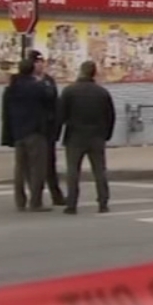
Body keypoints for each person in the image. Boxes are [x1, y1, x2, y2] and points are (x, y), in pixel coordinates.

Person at [57, 59, 117, 214]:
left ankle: (72, 203)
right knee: (99, 170)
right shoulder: (102, 92)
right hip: (96, 136)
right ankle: (103, 202)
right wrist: (106, 134)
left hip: (75, 135)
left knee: (73, 171)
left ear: (80, 71)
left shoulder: (69, 91)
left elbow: (61, 115)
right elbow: (110, 116)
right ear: (94, 73)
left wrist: (57, 134)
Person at [0, 58, 55, 211]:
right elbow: (50, 97)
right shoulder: (36, 87)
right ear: (32, 70)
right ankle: (35, 201)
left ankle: (20, 200)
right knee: (37, 168)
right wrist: (43, 81)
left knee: (20, 168)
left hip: (18, 131)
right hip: (35, 131)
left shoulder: (11, 88)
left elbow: (6, 112)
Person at [28, 49, 68, 206]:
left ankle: (56, 194)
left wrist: (57, 126)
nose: (40, 65)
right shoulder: (25, 82)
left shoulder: (48, 80)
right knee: (33, 165)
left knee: (50, 164)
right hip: (33, 129)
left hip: (48, 128)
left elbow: (55, 103)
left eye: (41, 62)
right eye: (37, 62)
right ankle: (34, 196)